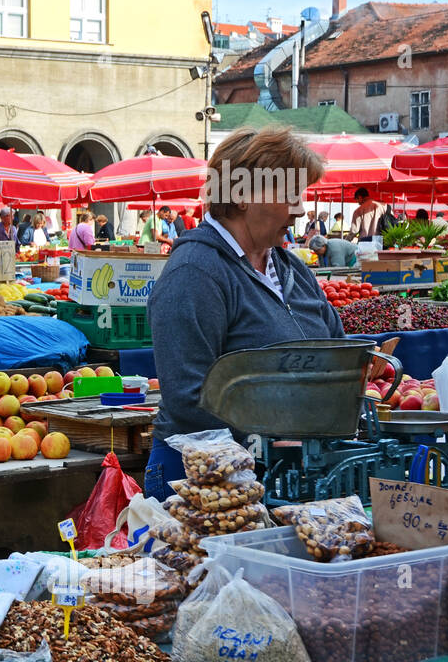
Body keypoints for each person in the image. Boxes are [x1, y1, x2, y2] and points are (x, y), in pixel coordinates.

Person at [144, 126, 341, 502]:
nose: (300, 210)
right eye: (289, 195)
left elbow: (334, 346)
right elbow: (190, 396)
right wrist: (275, 431)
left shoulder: (290, 268)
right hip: (202, 485)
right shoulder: (195, 273)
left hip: (288, 476)